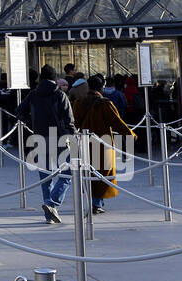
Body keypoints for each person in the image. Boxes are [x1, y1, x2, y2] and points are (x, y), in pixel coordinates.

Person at [16, 65, 75, 223]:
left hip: (39, 137)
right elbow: (68, 119)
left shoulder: (33, 94)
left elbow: (20, 111)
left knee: (45, 177)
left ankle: (49, 213)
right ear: (55, 77)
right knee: (67, 174)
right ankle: (52, 203)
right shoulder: (59, 94)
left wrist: (32, 123)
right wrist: (73, 137)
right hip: (59, 138)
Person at [76, 75, 137, 214]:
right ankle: (97, 203)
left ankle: (94, 201)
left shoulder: (79, 102)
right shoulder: (104, 103)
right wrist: (131, 135)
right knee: (102, 173)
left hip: (85, 143)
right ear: (102, 87)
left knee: (88, 172)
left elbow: (76, 122)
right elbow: (117, 122)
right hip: (103, 144)